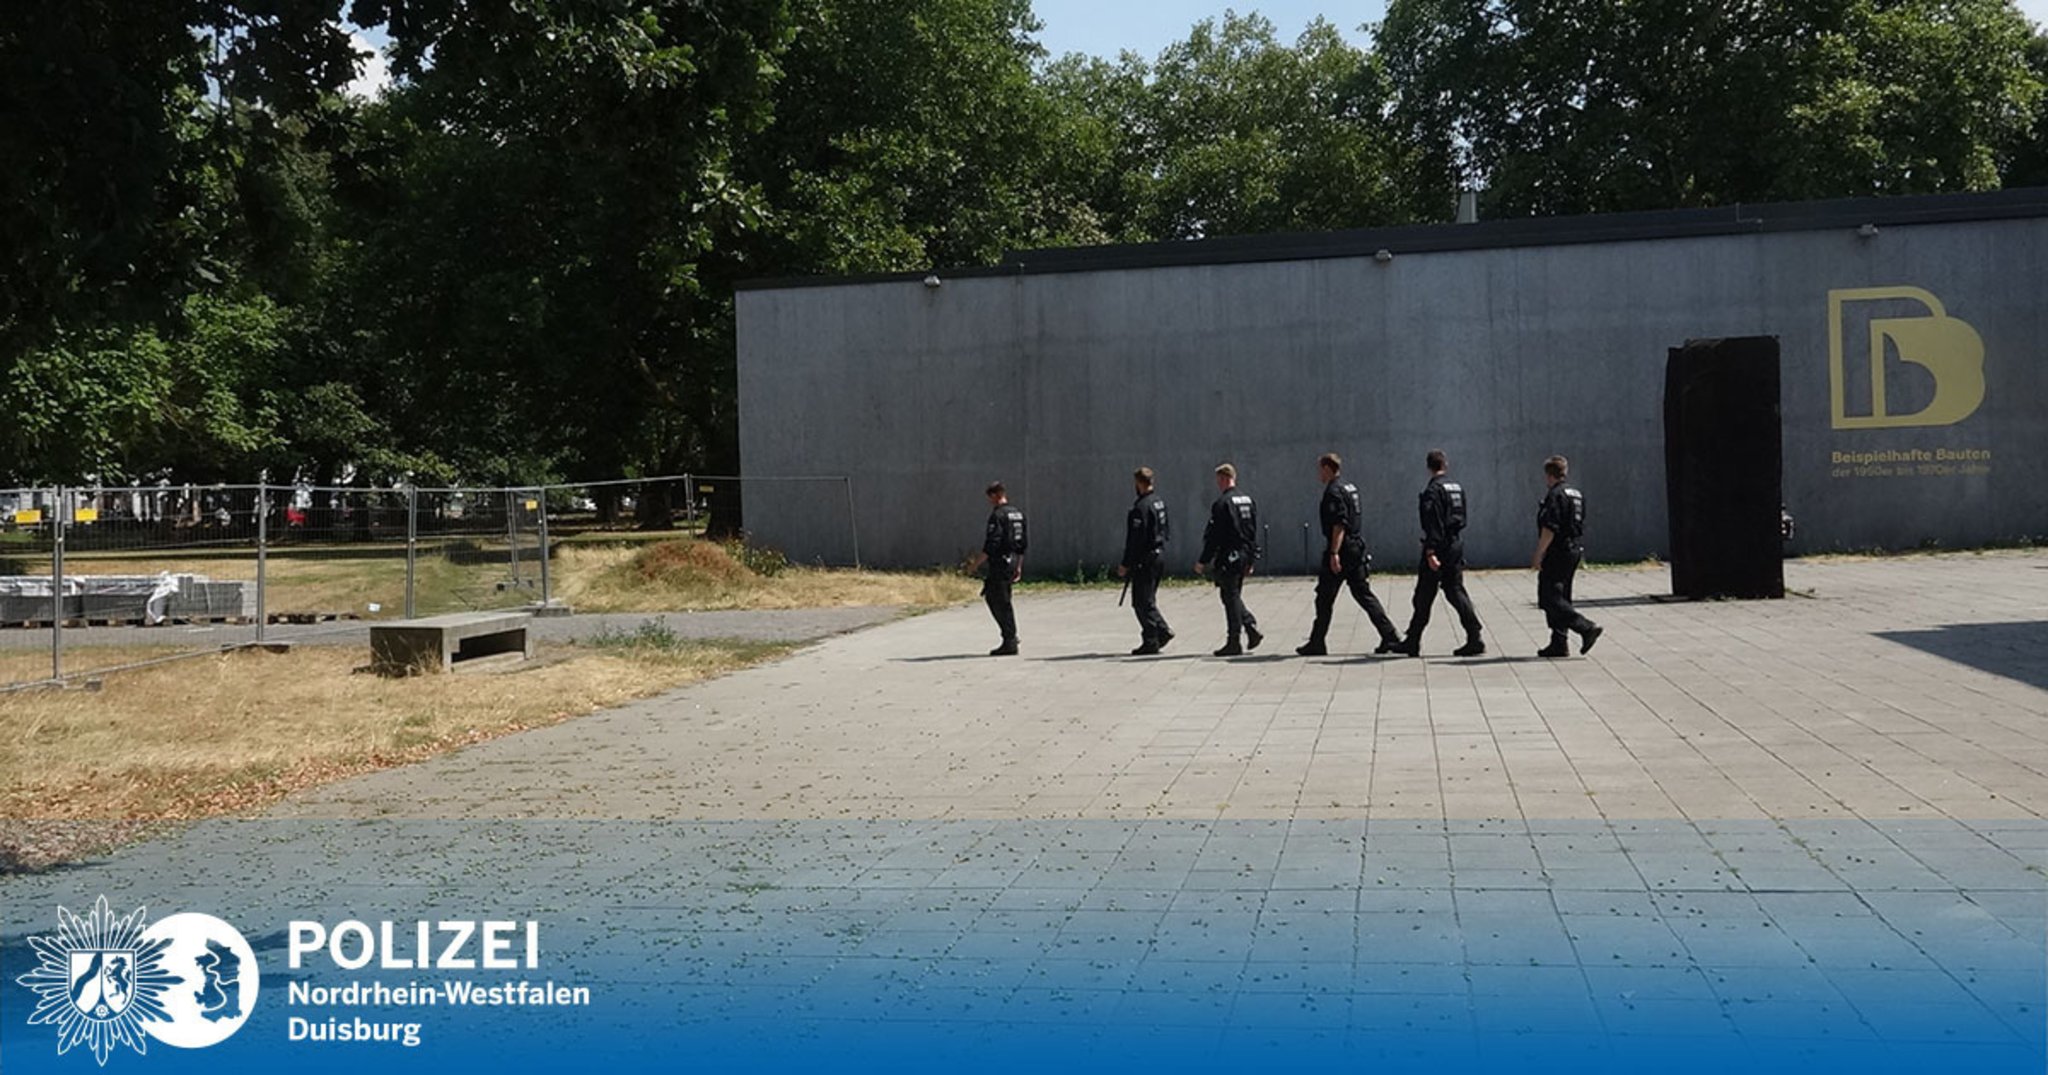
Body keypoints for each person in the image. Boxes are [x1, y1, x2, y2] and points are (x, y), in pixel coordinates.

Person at [1296, 452, 1403, 657]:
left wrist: (1334, 553)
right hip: (1356, 548)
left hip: (1342, 549)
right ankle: (1389, 635)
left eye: (1320, 469)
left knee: (1324, 597)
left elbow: (1339, 524)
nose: (1319, 474)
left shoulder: (1333, 491)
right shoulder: (1350, 487)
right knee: (1364, 594)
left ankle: (1317, 642)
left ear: (1327, 468)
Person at [1398, 449, 1486, 657]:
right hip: (1455, 543)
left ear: (1429, 466)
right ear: (1445, 465)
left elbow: (1433, 523)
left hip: (1439, 546)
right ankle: (1474, 636)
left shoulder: (1433, 491)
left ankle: (1413, 641)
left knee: (1424, 595)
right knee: (1455, 590)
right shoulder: (1456, 488)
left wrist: (1430, 551)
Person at [1532, 455, 1603, 658]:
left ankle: (1585, 627)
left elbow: (1550, 528)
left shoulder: (1555, 495)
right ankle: (1559, 643)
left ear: (1549, 475)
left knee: (1549, 597)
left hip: (1558, 551)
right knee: (1562, 597)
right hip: (1573, 549)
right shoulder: (1576, 493)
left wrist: (1539, 553)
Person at [1196, 463, 1264, 656]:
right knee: (1231, 595)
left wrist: (1203, 560)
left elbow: (1214, 536)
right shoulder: (1248, 500)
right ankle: (1250, 630)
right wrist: (1251, 558)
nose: (1218, 484)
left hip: (1230, 555)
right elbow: (1252, 531)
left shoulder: (1222, 503)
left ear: (1225, 478)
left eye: (1218, 480)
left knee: (1230, 596)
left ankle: (1234, 641)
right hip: (1243, 554)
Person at [1117, 466, 1174, 654]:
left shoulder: (1140, 507)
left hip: (1145, 559)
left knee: (1141, 602)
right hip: (1159, 555)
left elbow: (1134, 540)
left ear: (1139, 483)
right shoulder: (1159, 502)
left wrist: (1126, 564)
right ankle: (1157, 633)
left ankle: (1155, 636)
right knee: (1148, 599)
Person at [966, 481, 1027, 656]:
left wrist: (975, 565)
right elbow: (1022, 543)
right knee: (1001, 598)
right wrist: (1019, 565)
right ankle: (1010, 636)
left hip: (1001, 562)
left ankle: (1010, 639)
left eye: (991, 498)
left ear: (996, 495)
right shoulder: (1018, 514)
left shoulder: (998, 516)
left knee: (998, 600)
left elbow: (992, 544)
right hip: (1013, 560)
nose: (990, 502)